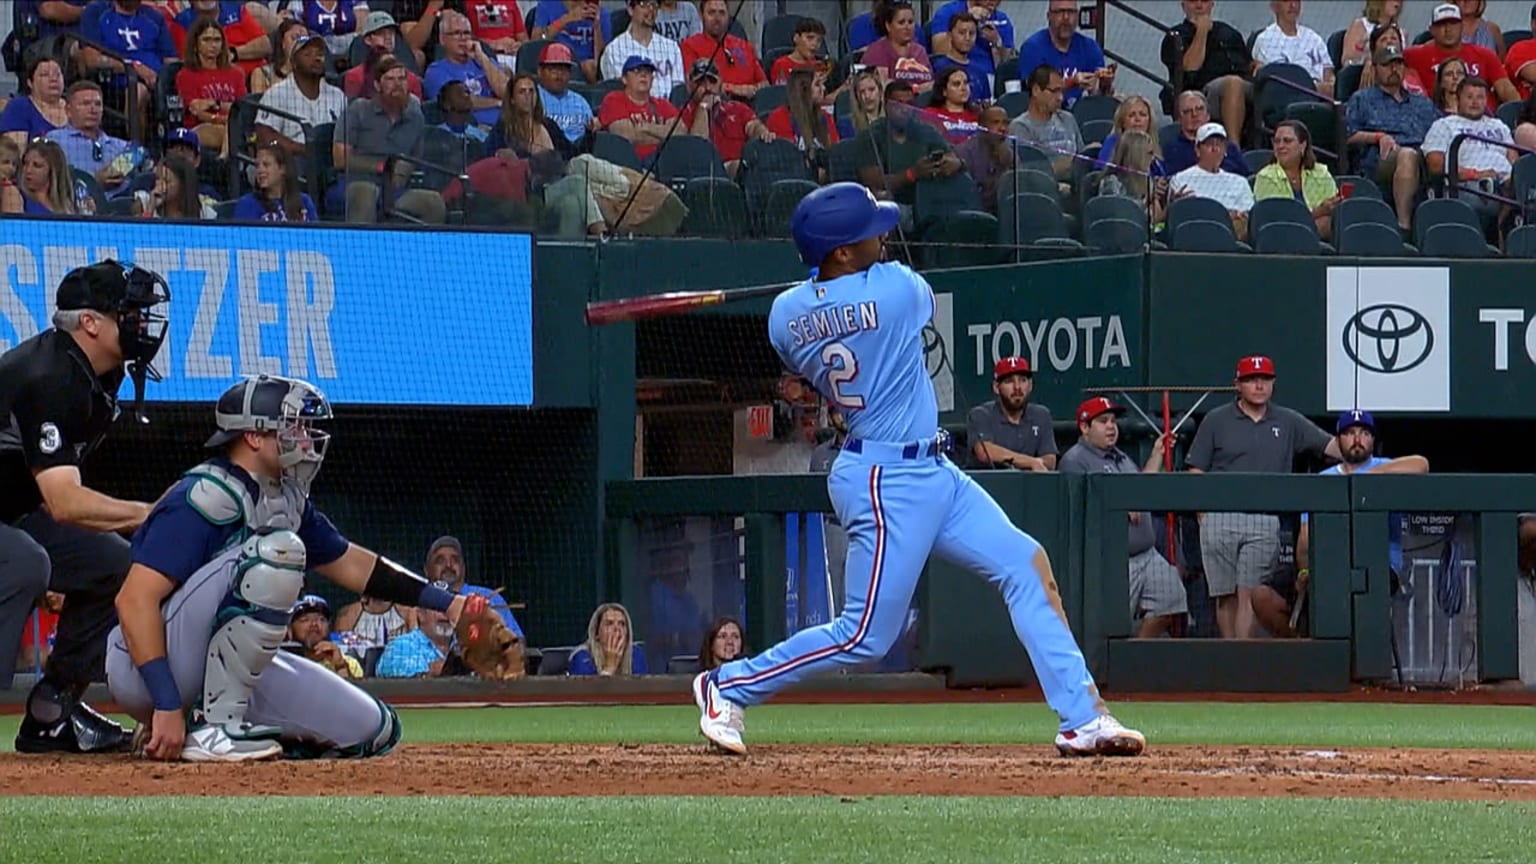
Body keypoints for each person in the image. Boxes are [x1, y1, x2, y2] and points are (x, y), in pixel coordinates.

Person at [693, 182, 1145, 758]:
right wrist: (845, 289)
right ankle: (727, 683)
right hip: (886, 481)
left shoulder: (785, 315)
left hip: (932, 471)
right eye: (868, 234)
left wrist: (824, 291)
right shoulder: (896, 292)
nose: (882, 236)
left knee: (1024, 563)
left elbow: (817, 309)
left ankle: (1082, 717)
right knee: (863, 636)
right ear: (839, 253)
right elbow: (903, 295)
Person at [107, 374, 480, 761]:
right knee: (278, 552)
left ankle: (225, 726)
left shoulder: (284, 499)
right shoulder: (203, 495)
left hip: (226, 673)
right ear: (253, 436)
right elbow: (133, 601)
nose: (304, 437)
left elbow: (357, 566)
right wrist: (165, 703)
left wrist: (451, 604)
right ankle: (210, 729)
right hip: (145, 671)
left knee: (371, 730)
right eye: (292, 426)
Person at [0, 260, 170, 754]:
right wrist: (145, 513)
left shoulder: (99, 372)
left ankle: (52, 714)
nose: (142, 325)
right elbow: (65, 501)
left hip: (15, 509)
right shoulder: (48, 374)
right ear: (91, 322)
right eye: (130, 314)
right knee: (24, 562)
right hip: (21, 514)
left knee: (116, 565)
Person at [1185, 355, 1340, 640]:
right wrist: (1203, 514)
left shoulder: (1288, 420)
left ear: (1273, 384)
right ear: (1237, 384)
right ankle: (1233, 658)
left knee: (1249, 592)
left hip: (1263, 518)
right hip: (1218, 517)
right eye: (1251, 379)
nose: (1259, 385)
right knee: (1225, 596)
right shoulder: (1216, 419)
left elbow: (1333, 446)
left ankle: (1244, 661)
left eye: (1265, 379)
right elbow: (1196, 468)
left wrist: (1367, 455)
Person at [1251, 410, 1427, 639]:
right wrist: (1305, 569)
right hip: (1327, 566)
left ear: (1373, 440)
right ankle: (1307, 652)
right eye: (1350, 433)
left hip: (1378, 567)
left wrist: (1366, 477)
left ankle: (1350, 663)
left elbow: (1421, 464)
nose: (1357, 439)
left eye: (1364, 433)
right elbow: (1305, 537)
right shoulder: (1323, 479)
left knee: (1348, 590)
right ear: (1338, 440)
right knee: (1262, 595)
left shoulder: (1387, 467)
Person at [1057, 398, 1185, 638]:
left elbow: (1139, 488)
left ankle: (1135, 655)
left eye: (1113, 421)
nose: (1111, 427)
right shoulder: (1075, 460)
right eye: (1103, 421)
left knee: (1171, 601)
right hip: (1113, 562)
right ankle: (1116, 667)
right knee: (1110, 627)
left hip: (1147, 555)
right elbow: (1076, 513)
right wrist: (1117, 505)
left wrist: (1157, 453)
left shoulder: (1121, 457)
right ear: (1085, 428)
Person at [1345, 43, 1439, 230]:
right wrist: (1378, 137)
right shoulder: (1362, 99)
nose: (1393, 69)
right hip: (1381, 157)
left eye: (1398, 64)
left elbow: (1439, 128)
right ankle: (1404, 225)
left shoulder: (1422, 103)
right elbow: (1348, 136)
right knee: (1406, 155)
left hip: (1423, 155)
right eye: (1387, 65)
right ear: (1375, 69)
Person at [1161, 0, 1252, 143]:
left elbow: (1247, 63)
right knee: (1233, 83)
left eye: (1204, 1)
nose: (1199, 6)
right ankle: (1234, 147)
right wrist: (1201, 32)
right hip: (1203, 91)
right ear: (1183, 5)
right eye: (1193, 1)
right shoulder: (1176, 35)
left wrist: (1258, 66)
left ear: (1212, 4)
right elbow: (1190, 68)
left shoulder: (1228, 32)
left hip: (1244, 86)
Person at [1404, 3, 1516, 108]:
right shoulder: (1414, 55)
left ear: (1462, 26)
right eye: (1441, 25)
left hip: (1483, 117)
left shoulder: (1485, 55)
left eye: (1453, 24)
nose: (1448, 30)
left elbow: (1505, 89)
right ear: (1432, 30)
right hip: (1437, 117)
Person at [1253, 119, 1340, 240]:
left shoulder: (1321, 173)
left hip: (1320, 235)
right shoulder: (1266, 177)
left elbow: (1333, 210)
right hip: (1279, 237)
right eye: (1276, 141)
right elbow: (1278, 220)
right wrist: (1317, 213)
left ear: (1302, 145)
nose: (1280, 146)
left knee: (1329, 223)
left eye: (1287, 141)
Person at [175, 18, 248, 156]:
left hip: (233, 124)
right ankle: (226, 162)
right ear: (195, 44)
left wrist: (215, 104)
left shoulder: (236, 73)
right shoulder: (186, 75)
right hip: (200, 127)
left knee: (234, 130)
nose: (213, 45)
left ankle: (225, 160)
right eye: (206, 40)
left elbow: (241, 107)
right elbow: (196, 111)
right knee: (226, 131)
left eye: (217, 40)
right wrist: (222, 117)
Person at [1018, 0, 1111, 108]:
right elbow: (1035, 92)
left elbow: (1098, 95)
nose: (1066, 17)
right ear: (1049, 16)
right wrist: (1072, 82)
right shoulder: (1032, 48)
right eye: (1060, 12)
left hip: (1082, 112)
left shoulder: (1090, 47)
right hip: (1046, 113)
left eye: (1071, 12)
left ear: (1077, 16)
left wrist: (1105, 84)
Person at [1170, 122, 1254, 239]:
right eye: (1209, 144)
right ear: (1197, 149)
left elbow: (1247, 217)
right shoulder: (1181, 179)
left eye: (1219, 144)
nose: (1215, 149)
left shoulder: (1239, 182)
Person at [231, 142, 318, 221]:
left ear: (282, 169)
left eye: (266, 165)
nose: (260, 170)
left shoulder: (304, 201)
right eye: (257, 166)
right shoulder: (247, 204)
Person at [862, 0, 932, 92]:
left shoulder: (920, 51)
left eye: (910, 22)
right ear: (888, 26)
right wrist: (916, 89)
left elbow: (930, 84)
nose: (907, 27)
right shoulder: (876, 51)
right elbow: (883, 86)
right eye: (901, 22)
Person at [0, 56, 68, 149]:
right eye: (44, 74)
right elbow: (15, 153)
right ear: (30, 83)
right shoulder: (20, 107)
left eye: (57, 74)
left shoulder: (76, 105)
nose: (53, 79)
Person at [954, 105, 1013, 210]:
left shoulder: (1010, 150)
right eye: (995, 122)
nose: (1002, 128)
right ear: (981, 126)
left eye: (1005, 123)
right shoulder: (965, 153)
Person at [568, 602, 648, 675]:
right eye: (609, 623)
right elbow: (589, 691)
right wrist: (609, 667)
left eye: (622, 624)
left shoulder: (636, 654)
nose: (617, 628)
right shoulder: (582, 658)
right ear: (596, 633)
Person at [0, 138, 76, 215]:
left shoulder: (66, 205)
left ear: (53, 170)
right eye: (25, 164)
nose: (28, 170)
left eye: (37, 165)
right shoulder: (13, 193)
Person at [130, 152, 216, 219]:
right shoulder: (143, 203)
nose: (159, 184)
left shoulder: (205, 214)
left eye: (166, 181)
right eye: (157, 179)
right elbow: (140, 235)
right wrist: (150, 208)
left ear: (182, 185)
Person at [930, 13, 988, 104]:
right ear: (950, 35)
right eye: (962, 33)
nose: (967, 38)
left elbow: (986, 102)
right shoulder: (939, 67)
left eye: (972, 33)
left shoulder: (980, 72)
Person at [251, 19, 311, 94]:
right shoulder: (261, 73)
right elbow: (258, 104)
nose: (300, 44)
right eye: (295, 38)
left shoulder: (312, 76)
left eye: (305, 41)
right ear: (282, 42)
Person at [926, 66, 980, 145]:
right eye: (956, 84)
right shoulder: (931, 115)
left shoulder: (978, 114)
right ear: (944, 91)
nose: (963, 88)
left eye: (966, 83)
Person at [1342, 0, 1402, 69]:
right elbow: (1346, 62)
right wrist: (1366, 60)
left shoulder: (1401, 32)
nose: (1397, 2)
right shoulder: (1360, 26)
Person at [837, 69, 884, 140]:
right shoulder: (847, 124)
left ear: (880, 92)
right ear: (856, 96)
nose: (867, 96)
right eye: (862, 92)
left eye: (871, 89)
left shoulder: (891, 122)